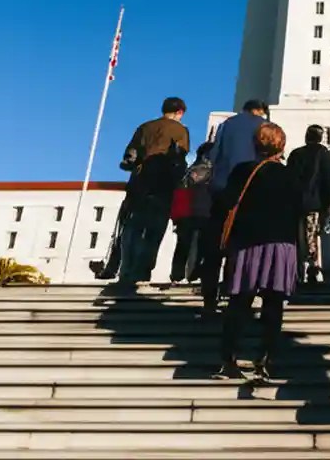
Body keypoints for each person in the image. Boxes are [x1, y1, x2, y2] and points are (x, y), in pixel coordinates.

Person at [212, 123, 301, 383]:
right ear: (281, 146)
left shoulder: (243, 171)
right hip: (281, 243)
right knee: (273, 304)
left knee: (240, 302)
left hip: (247, 242)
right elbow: (301, 206)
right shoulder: (290, 175)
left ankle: (228, 359)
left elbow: (226, 200)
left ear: (256, 144)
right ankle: (266, 359)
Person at [117, 97, 190, 287]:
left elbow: (129, 156)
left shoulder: (145, 127)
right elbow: (179, 160)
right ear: (180, 112)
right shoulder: (180, 131)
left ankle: (126, 269)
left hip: (138, 184)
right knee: (154, 229)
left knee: (131, 227)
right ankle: (142, 270)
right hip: (163, 187)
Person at [287, 125, 330, 285]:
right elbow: (329, 179)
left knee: (300, 236)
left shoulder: (296, 154)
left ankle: (301, 268)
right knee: (313, 236)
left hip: (296, 201)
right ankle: (313, 269)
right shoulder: (324, 153)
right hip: (316, 202)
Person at [170, 142, 215, 284]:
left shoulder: (190, 171)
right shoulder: (214, 172)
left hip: (187, 213)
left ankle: (177, 274)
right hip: (206, 212)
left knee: (183, 244)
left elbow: (180, 192)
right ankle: (195, 274)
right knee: (202, 245)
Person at [209, 99, 269, 195]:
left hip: (224, 181)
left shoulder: (226, 123)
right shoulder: (265, 126)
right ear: (258, 110)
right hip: (252, 181)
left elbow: (214, 153)